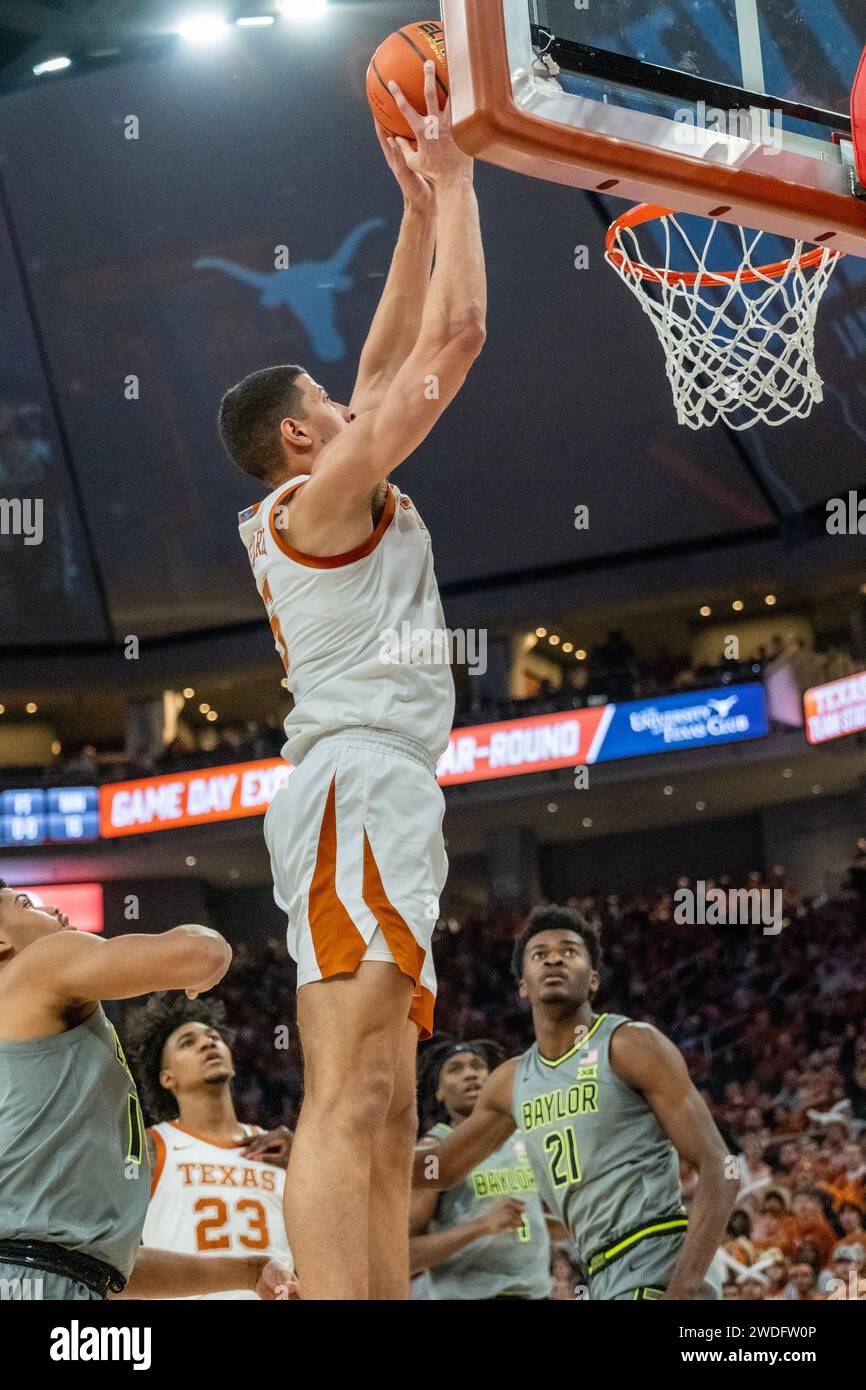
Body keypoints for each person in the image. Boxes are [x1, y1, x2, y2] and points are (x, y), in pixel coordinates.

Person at [217, 64, 486, 1299]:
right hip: (350, 786)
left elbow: (381, 369)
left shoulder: (325, 484)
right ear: (296, 437)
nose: (345, 395)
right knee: (343, 1090)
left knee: (384, 1098)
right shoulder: (320, 504)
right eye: (324, 399)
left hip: (388, 786)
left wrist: (415, 211)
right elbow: (454, 340)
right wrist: (460, 177)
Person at [413, 905, 737, 1300]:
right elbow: (440, 1169)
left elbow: (722, 1164)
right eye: (539, 954)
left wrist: (684, 1287)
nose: (553, 958)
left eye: (569, 951)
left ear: (593, 978)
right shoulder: (511, 1082)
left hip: (657, 1261)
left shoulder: (630, 1045)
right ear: (522, 985)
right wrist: (360, 1161)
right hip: (601, 1272)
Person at [0, 881, 293, 1301]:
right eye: (26, 904)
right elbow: (200, 955)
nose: (51, 908)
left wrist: (248, 1270)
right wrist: (211, 941)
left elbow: (110, 1272)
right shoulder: (40, 963)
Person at [126, 994, 293, 1298]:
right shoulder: (151, 1147)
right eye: (187, 1042)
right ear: (167, 1077)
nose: (207, 1044)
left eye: (214, 1037)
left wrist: (308, 1163)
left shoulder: (283, 1149)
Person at [410, 1039, 552, 1300]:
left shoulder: (522, 1138)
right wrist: (481, 1225)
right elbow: (404, 1255)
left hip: (537, 1293)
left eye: (477, 1066)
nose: (470, 1074)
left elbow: (535, 1224)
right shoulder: (432, 1151)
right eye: (455, 1069)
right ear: (440, 1092)